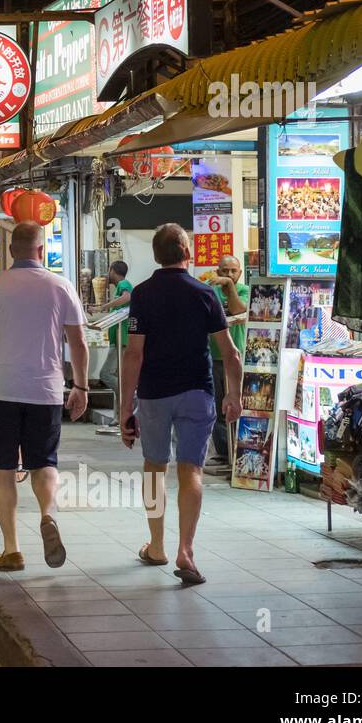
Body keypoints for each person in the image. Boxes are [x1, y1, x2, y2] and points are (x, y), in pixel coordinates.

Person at [119, 224, 244, 586]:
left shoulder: (142, 294)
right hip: (197, 393)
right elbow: (230, 353)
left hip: (155, 394)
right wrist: (233, 395)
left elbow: (133, 353)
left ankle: (156, 545)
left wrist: (126, 407)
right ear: (187, 252)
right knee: (191, 471)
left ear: (157, 255)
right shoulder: (205, 293)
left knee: (155, 467)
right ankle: (186, 550)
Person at [0, 223, 90, 571]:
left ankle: (12, 549)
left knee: (2, 469)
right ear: (42, 250)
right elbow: (77, 342)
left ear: (9, 251)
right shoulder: (61, 286)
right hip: (46, 391)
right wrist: (80, 387)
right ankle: (48, 515)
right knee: (44, 463)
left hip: (2, 390)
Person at [204, 254, 249, 475]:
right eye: (224, 271)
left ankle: (238, 454)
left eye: (233, 271)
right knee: (216, 408)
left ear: (239, 273)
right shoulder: (209, 290)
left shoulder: (244, 290)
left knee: (236, 406)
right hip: (212, 356)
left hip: (236, 357)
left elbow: (239, 310)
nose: (229, 274)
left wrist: (230, 286)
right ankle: (223, 453)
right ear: (217, 271)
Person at [95, 261, 133, 422]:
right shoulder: (117, 288)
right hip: (117, 339)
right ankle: (119, 417)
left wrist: (105, 306)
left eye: (109, 270)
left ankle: (130, 394)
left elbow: (127, 297)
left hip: (122, 339)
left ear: (113, 270)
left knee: (106, 374)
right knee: (118, 376)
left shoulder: (124, 284)